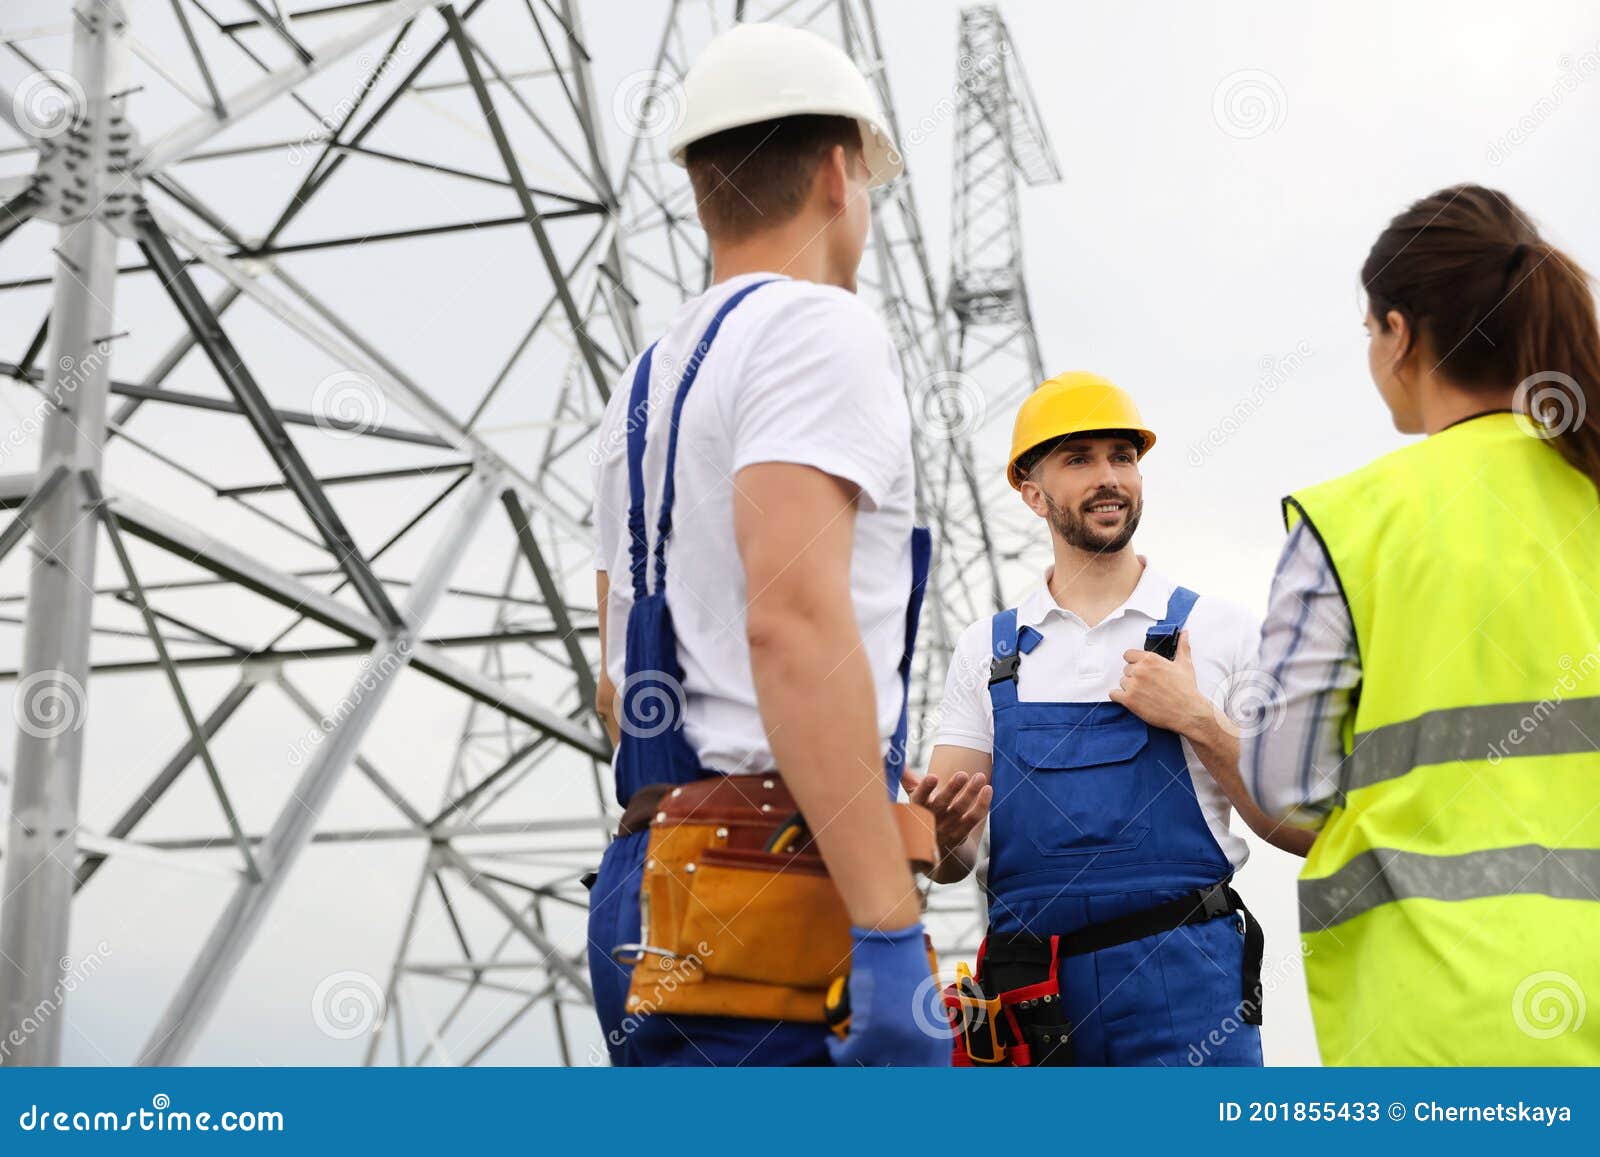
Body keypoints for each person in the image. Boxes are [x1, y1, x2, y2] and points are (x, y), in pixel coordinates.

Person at [586, 22, 946, 1067]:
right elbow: (791, 619)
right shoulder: (818, 329)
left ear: (703, 193)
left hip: (650, 870)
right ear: (840, 173)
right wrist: (886, 920)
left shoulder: (644, 381)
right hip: (767, 883)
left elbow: (619, 686)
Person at [1244, 184, 1600, 1065]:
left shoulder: (1350, 522)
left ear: (1399, 332)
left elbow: (1286, 783)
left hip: (1438, 1026)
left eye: (1371, 331)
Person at [908, 372, 1310, 1068]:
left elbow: (1300, 827)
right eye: (1080, 458)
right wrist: (942, 835)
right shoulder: (987, 653)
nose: (1109, 477)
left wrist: (1197, 718)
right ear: (1031, 491)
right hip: (1033, 1003)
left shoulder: (1220, 631)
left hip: (1192, 993)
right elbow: (948, 863)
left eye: (1122, 456)